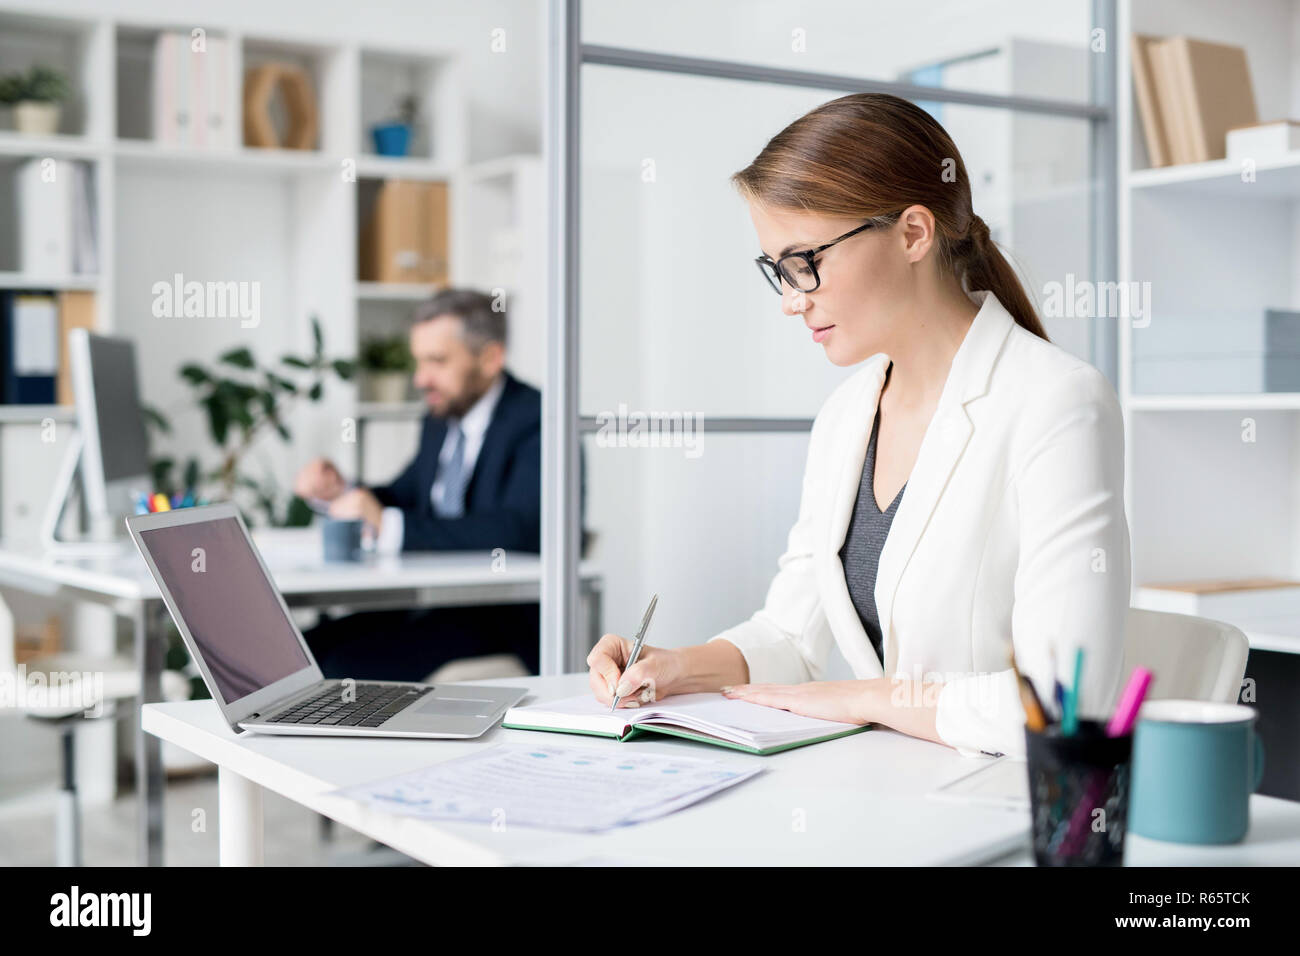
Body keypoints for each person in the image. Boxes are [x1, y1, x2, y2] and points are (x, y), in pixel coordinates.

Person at [585, 93, 1131, 760]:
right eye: (777, 272)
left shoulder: (1056, 402)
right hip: (882, 785)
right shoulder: (848, 414)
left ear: (912, 234)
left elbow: (1065, 703)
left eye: (804, 263)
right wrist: (675, 667)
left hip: (997, 803)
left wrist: (867, 699)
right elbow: (791, 635)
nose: (792, 302)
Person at [298, 289, 543, 679]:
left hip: (500, 621)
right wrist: (343, 493)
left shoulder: (538, 419)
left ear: (490, 358)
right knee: (303, 650)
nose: (420, 378)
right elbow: (404, 494)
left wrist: (389, 524)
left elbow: (519, 528)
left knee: (343, 668)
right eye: (419, 361)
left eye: (437, 361)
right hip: (429, 606)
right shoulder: (440, 416)